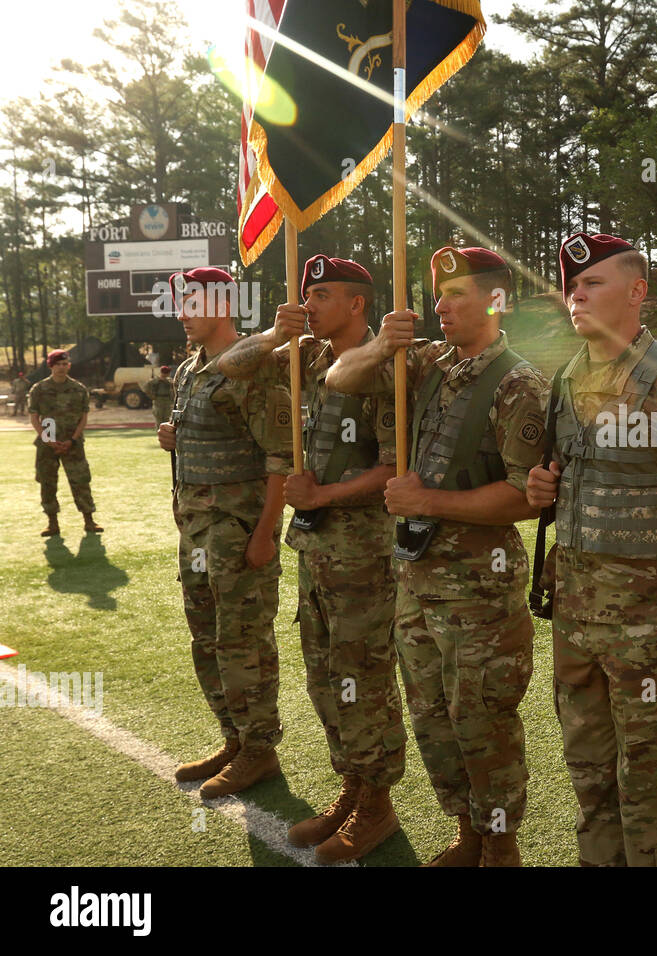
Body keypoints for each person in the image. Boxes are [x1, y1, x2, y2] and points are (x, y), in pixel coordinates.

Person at [524, 233, 657, 867]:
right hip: (577, 623)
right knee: (590, 783)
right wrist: (545, 485)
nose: (576, 295)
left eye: (591, 282)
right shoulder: (567, 378)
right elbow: (569, 471)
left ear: (637, 292)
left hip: (653, 634)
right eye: (571, 286)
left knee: (651, 795)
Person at [327, 245, 546, 867]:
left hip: (479, 585)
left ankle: (500, 843)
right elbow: (339, 378)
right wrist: (380, 344)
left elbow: (522, 497)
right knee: (432, 716)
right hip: (417, 576)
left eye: (457, 293)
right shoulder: (425, 363)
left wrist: (430, 499)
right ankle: (467, 832)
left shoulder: (518, 384)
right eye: (439, 294)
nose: (441, 305)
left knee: (482, 715)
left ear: (497, 301)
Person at [216, 255, 407, 863]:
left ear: (358, 304)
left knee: (364, 678)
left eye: (322, 295)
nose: (311, 304)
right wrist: (277, 332)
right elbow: (230, 367)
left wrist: (324, 493)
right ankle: (350, 786)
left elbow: (394, 465)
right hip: (317, 548)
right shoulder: (308, 358)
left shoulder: (385, 366)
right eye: (307, 294)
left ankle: (376, 803)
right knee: (326, 678)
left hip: (363, 552)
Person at [158, 266, 293, 799]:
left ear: (222, 304)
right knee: (207, 637)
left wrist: (265, 533)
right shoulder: (189, 370)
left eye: (192, 302)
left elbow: (281, 458)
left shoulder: (254, 367)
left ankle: (259, 750)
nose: (183, 313)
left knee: (243, 640)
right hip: (195, 530)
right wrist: (176, 436)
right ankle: (235, 738)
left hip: (237, 532)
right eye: (180, 303)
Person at [28, 350, 100, 536]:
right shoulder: (39, 389)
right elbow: (34, 417)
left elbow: (83, 418)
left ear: (69, 365)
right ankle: (52, 523)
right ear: (51, 366)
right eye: (58, 364)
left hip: (73, 443)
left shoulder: (79, 389)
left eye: (65, 364)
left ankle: (89, 520)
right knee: (48, 483)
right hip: (47, 444)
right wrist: (49, 440)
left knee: (81, 481)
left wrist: (72, 439)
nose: (61, 367)